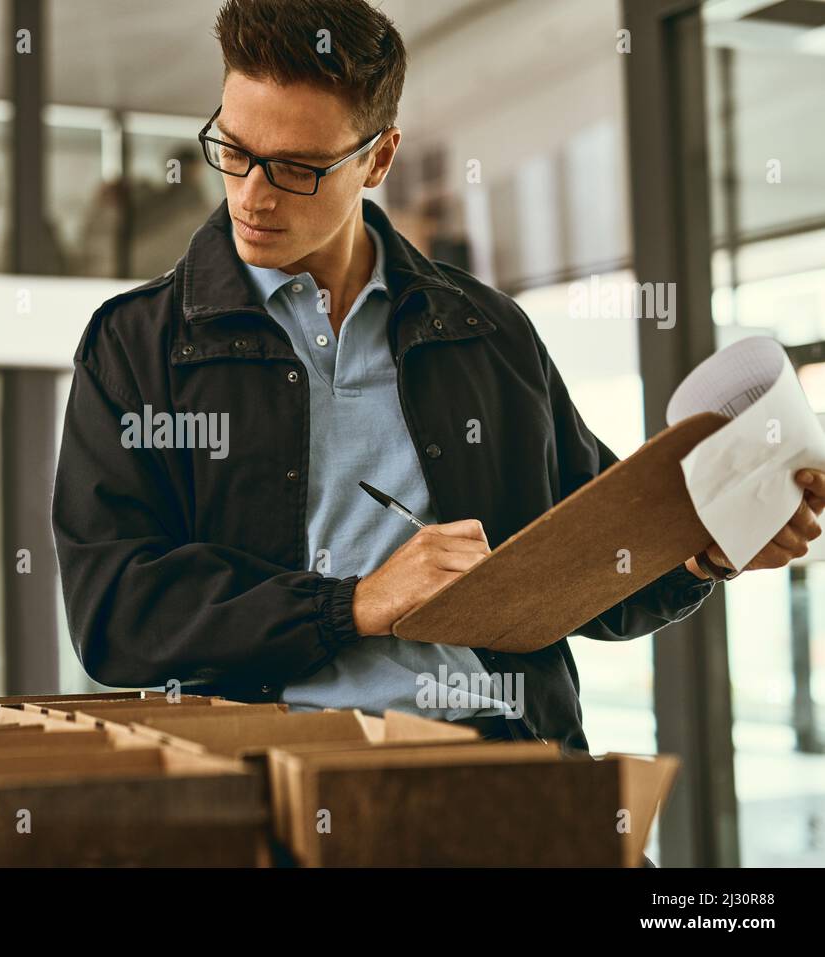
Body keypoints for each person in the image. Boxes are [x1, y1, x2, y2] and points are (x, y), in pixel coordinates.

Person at [50, 0, 825, 757]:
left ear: (379, 159)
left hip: (516, 763)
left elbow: (586, 565)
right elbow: (115, 611)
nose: (252, 193)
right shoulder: (135, 347)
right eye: (233, 148)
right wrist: (352, 604)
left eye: (297, 169)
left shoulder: (487, 332)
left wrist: (704, 550)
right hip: (285, 781)